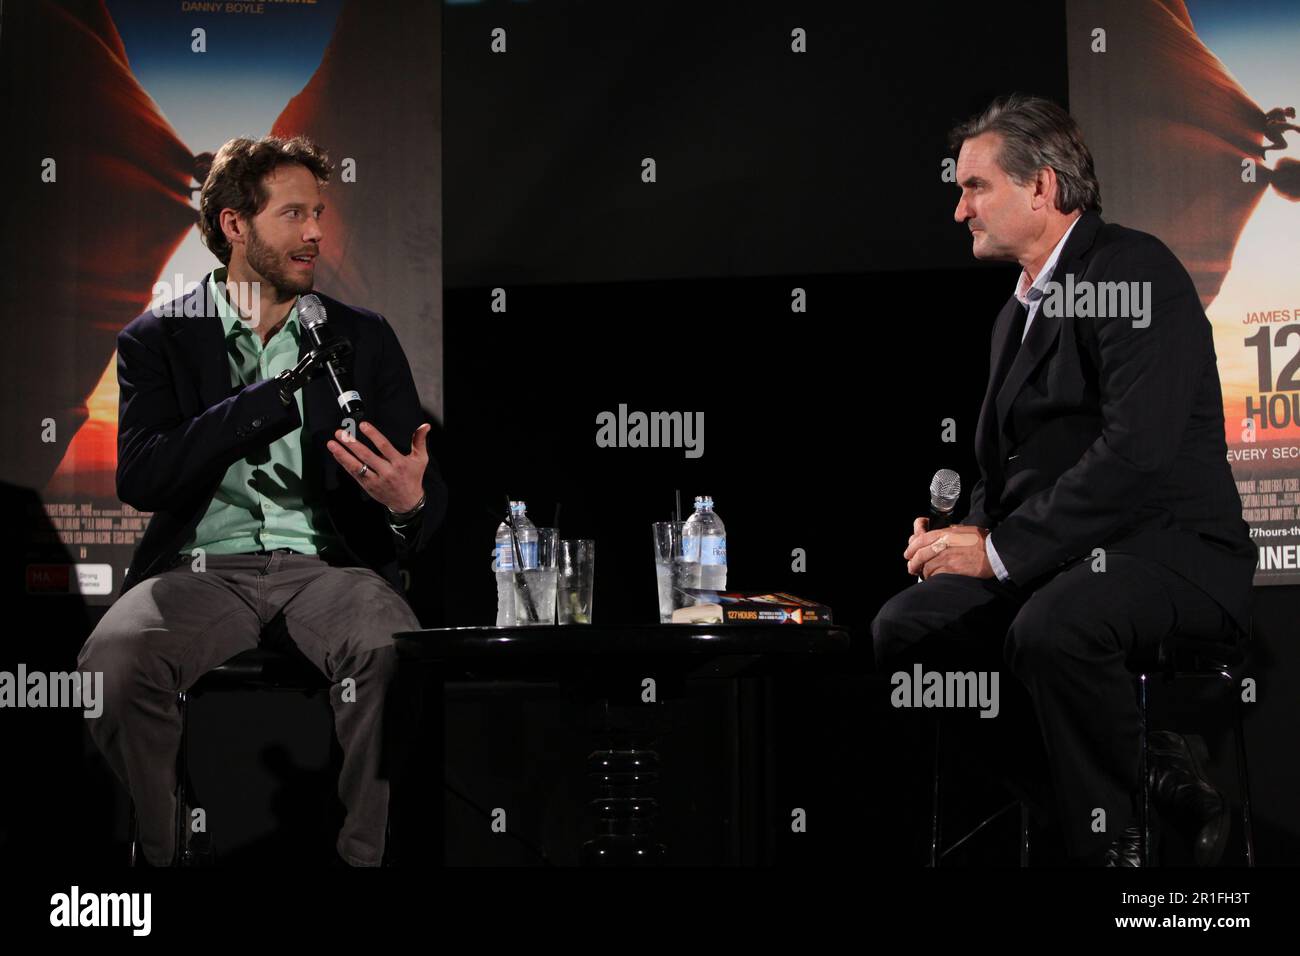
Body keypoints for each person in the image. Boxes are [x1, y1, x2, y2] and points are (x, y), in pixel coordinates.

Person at [871, 95, 1255, 866]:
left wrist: (1002, 550)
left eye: (975, 187)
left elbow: (1134, 455)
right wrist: (965, 538)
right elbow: (1009, 469)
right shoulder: (1013, 316)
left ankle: (1115, 852)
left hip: (1169, 551)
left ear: (1041, 188)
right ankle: (1127, 777)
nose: (958, 210)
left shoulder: (1133, 271)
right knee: (908, 629)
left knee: (1053, 628)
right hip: (1057, 560)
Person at [77, 135, 448, 867]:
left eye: (319, 213)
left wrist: (408, 502)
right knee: (112, 662)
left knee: (393, 652)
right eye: (293, 214)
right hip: (198, 570)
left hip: (327, 570)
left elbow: (422, 497)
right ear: (234, 226)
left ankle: (363, 861)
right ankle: (161, 855)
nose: (315, 232)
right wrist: (261, 404)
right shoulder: (157, 339)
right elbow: (142, 477)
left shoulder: (361, 338)